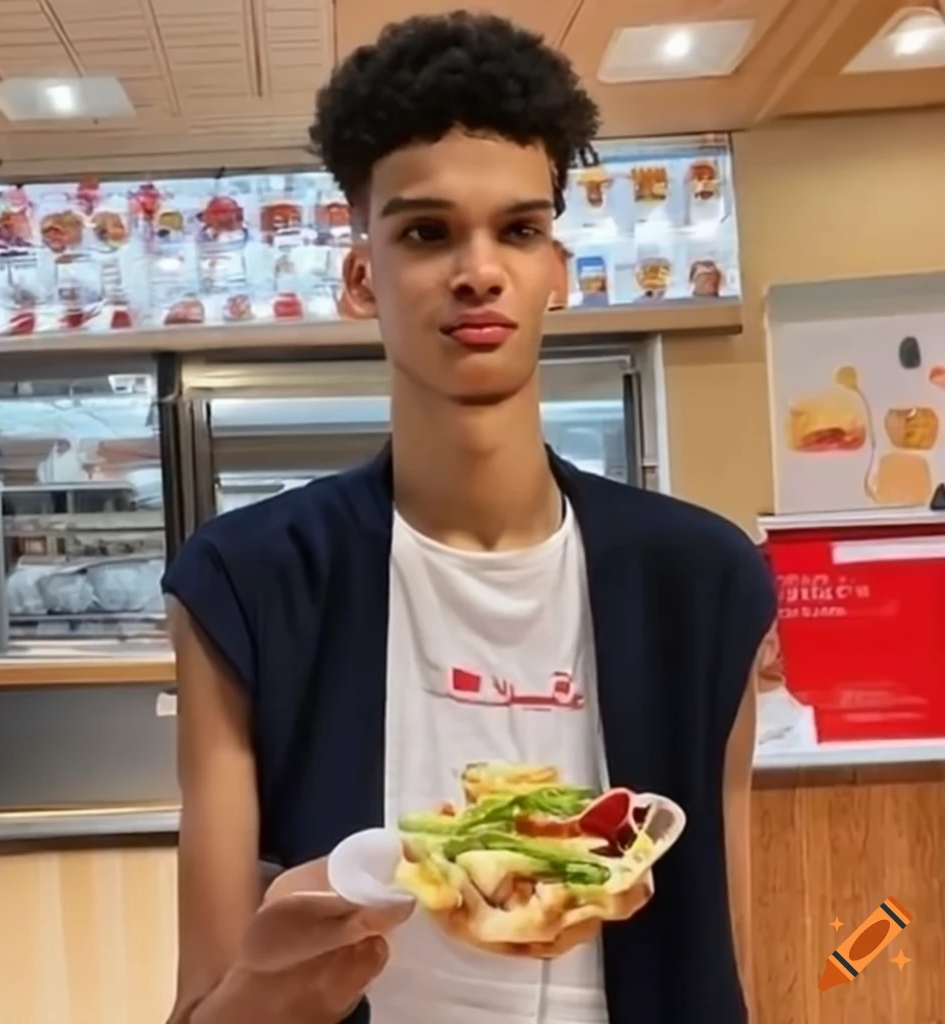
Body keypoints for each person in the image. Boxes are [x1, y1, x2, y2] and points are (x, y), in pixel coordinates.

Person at [162, 11, 776, 1024]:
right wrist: (268, 992)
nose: (478, 269)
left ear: (557, 274)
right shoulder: (248, 581)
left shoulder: (701, 580)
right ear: (362, 276)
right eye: (425, 231)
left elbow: (724, 959)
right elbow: (199, 1004)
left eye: (518, 230)